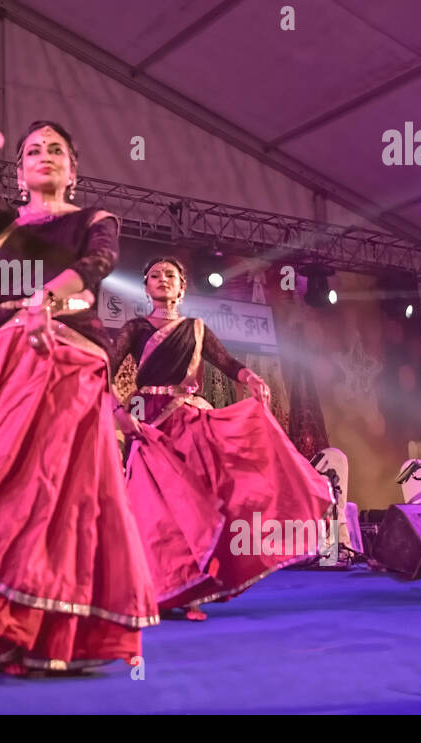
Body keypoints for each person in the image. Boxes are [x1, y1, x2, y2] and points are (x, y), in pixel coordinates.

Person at [0, 121, 158, 674]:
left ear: (73, 169)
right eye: (32, 152)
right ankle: (1, 625)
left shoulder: (94, 221)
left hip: (67, 355)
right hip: (4, 360)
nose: (45, 157)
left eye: (56, 151)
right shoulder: (5, 224)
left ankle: (51, 633)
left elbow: (98, 266)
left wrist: (46, 297)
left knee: (49, 490)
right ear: (18, 174)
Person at [113, 257, 333, 619]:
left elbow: (226, 361)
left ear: (182, 287)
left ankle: (191, 591)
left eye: (170, 275)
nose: (162, 280)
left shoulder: (196, 327)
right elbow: (102, 365)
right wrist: (116, 412)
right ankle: (155, 588)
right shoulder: (135, 327)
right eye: (154, 275)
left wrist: (250, 378)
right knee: (153, 512)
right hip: (148, 425)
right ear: (146, 286)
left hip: (189, 421)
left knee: (195, 508)